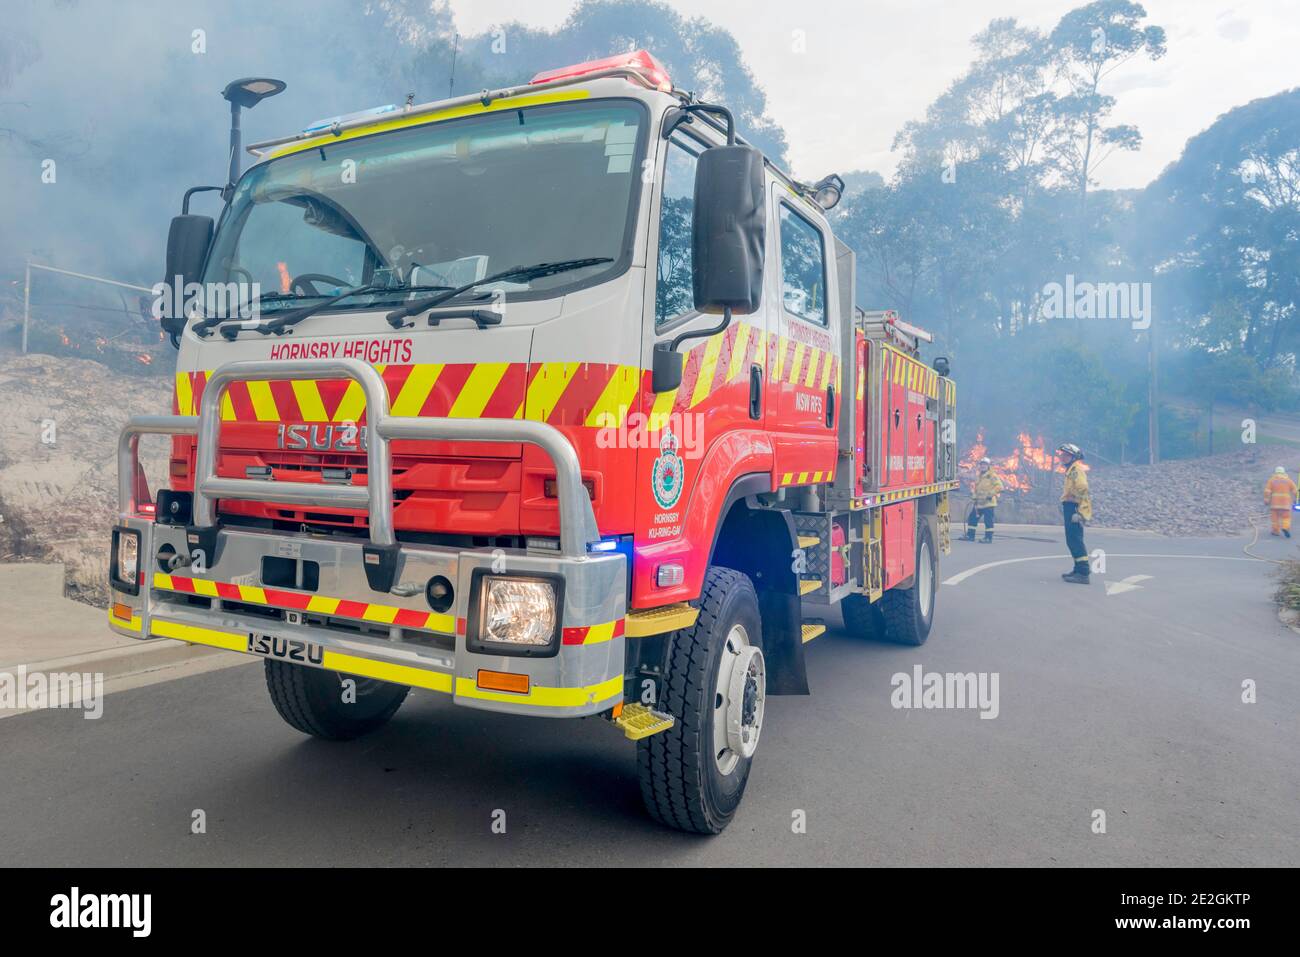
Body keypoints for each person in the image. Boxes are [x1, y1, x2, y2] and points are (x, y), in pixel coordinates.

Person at [1057, 443, 1092, 584]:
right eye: (1062, 454)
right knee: (1072, 540)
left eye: (1066, 455)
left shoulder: (1076, 469)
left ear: (1073, 457)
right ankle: (1078, 569)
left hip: (1075, 508)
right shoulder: (1071, 470)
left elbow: (1082, 487)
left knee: (1075, 540)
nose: (1063, 457)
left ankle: (1083, 573)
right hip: (1070, 506)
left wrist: (1077, 505)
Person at [965, 457, 1004, 543]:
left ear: (988, 466)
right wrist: (974, 497)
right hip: (979, 504)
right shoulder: (979, 476)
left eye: (985, 464)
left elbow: (999, 486)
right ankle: (970, 536)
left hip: (988, 503)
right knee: (972, 518)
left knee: (988, 521)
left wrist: (990, 494)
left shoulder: (992, 476)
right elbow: (976, 489)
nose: (983, 466)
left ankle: (988, 538)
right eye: (981, 464)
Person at [1264, 466, 1298, 537]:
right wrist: (1296, 499)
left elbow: (1267, 491)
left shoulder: (1272, 480)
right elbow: (1295, 491)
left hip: (1275, 504)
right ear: (1284, 472)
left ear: (1275, 472)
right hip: (1286, 504)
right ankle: (1285, 528)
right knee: (1286, 518)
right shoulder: (1289, 481)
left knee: (1275, 519)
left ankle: (1275, 531)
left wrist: (1266, 500)